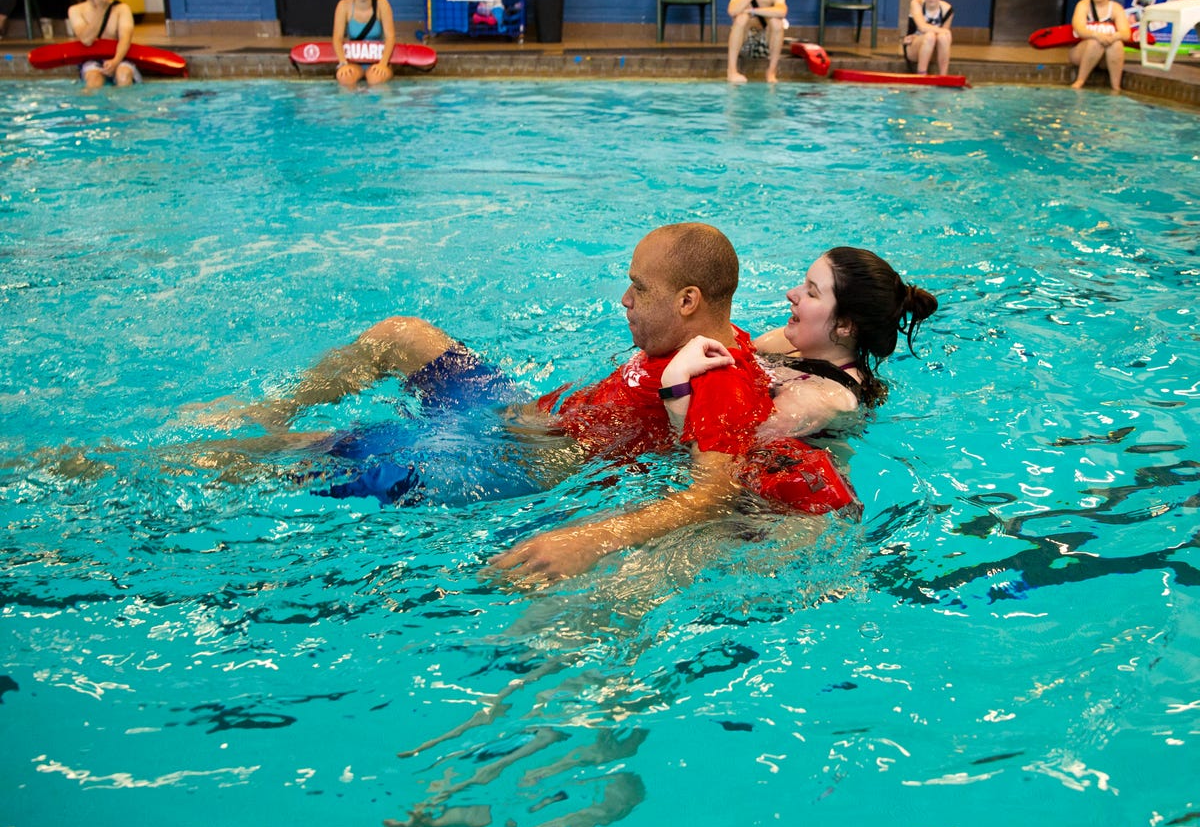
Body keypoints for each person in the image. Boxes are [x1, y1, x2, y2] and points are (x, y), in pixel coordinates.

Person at [194, 223, 773, 580]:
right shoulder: (705, 341)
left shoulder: (719, 381)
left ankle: (131, 468)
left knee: (303, 453)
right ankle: (268, 410)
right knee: (400, 335)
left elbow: (711, 494)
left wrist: (589, 537)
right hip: (505, 413)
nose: (624, 298)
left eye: (639, 288)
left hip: (498, 466)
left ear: (689, 299)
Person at [659, 246, 939, 442]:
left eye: (812, 293)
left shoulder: (820, 400)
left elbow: (720, 453)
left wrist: (674, 385)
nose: (791, 294)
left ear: (844, 325)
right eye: (802, 284)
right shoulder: (794, 342)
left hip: (773, 518)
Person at [67, 0, 138, 88]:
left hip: (119, 56)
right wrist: (101, 10)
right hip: (92, 59)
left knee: (123, 75)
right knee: (94, 80)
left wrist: (115, 61)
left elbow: (125, 38)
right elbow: (86, 39)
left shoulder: (122, 9)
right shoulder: (75, 10)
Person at [726, 0, 787, 84]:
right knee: (741, 18)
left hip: (765, 45)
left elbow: (782, 11)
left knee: (777, 22)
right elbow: (732, 10)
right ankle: (732, 71)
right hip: (744, 44)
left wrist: (753, 11)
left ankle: (771, 71)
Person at [331, 0, 396, 88]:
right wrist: (343, 63)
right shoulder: (343, 6)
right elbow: (337, 38)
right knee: (344, 78)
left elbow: (390, 37)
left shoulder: (382, 4)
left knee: (375, 79)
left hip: (378, 60)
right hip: (354, 61)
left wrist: (383, 63)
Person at [1069, 0, 1131, 92]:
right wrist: (1097, 35)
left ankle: (1115, 86)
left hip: (1106, 56)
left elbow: (1126, 33)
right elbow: (1079, 29)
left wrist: (1113, 37)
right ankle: (1080, 81)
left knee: (1117, 44)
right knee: (1095, 42)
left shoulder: (1116, 8)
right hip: (1082, 51)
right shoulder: (1083, 5)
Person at [902, 0, 954, 76]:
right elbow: (922, 27)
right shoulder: (916, 3)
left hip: (934, 50)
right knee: (930, 36)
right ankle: (921, 74)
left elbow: (945, 36)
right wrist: (943, 31)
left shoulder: (947, 10)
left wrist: (945, 33)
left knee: (943, 37)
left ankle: (944, 76)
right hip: (914, 47)